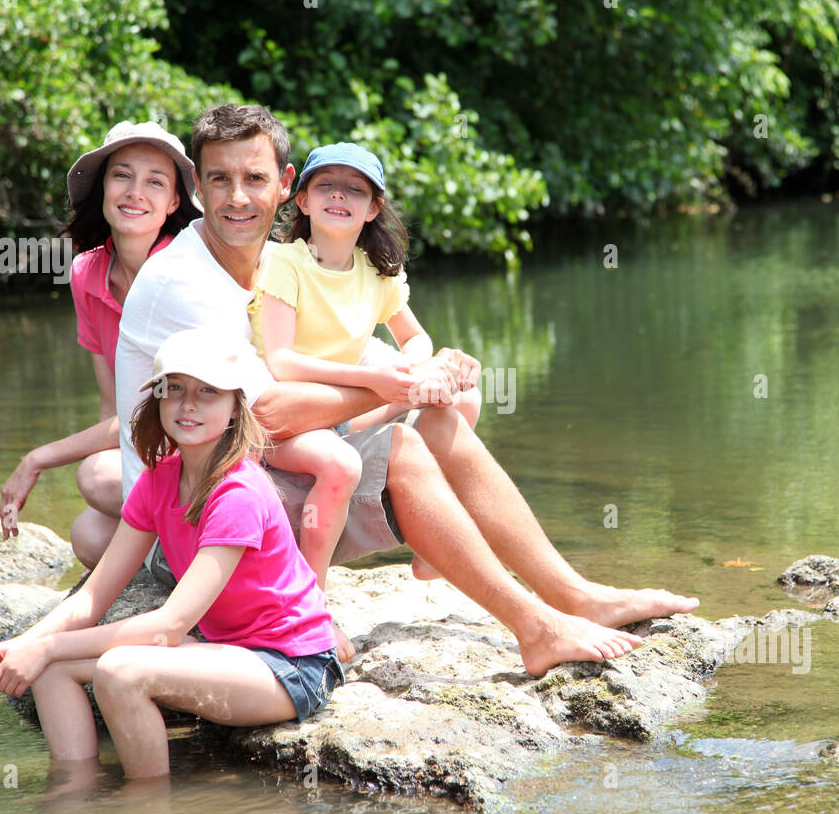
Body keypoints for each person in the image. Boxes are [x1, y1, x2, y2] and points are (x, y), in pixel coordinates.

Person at [115, 104, 699, 679]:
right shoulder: (183, 283)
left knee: (440, 421)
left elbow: (376, 355)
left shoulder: (281, 261)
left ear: (285, 185)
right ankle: (537, 629)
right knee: (402, 448)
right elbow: (268, 414)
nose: (238, 197)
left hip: (264, 489)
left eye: (255, 178)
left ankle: (574, 595)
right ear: (196, 183)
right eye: (220, 178)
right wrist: (399, 387)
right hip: (191, 530)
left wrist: (432, 372)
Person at [0, 328, 343, 779]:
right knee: (50, 669)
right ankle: (73, 799)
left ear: (235, 408)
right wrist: (26, 646)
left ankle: (147, 807)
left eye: (207, 392)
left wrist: (46, 646)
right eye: (175, 390)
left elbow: (169, 626)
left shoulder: (239, 494)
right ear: (157, 401)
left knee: (121, 672)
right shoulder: (159, 480)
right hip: (224, 652)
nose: (188, 405)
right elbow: (93, 597)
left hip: (290, 666)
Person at [250, 141, 480, 589]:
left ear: (373, 209)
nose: (339, 195)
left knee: (463, 396)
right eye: (326, 186)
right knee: (339, 461)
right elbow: (281, 363)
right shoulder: (287, 264)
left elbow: (415, 337)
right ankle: (311, 597)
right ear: (302, 200)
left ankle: (432, 544)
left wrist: (418, 372)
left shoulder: (377, 271)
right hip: (285, 422)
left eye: (354, 189)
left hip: (346, 413)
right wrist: (376, 379)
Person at [0, 121, 200, 569]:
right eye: (122, 175)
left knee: (93, 476)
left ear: (173, 203)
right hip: (153, 450)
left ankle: (201, 549)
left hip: (202, 442)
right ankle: (176, 553)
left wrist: (38, 458)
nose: (135, 192)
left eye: (155, 182)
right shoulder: (86, 274)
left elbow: (149, 407)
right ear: (103, 187)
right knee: (88, 535)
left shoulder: (183, 270)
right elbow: (114, 409)